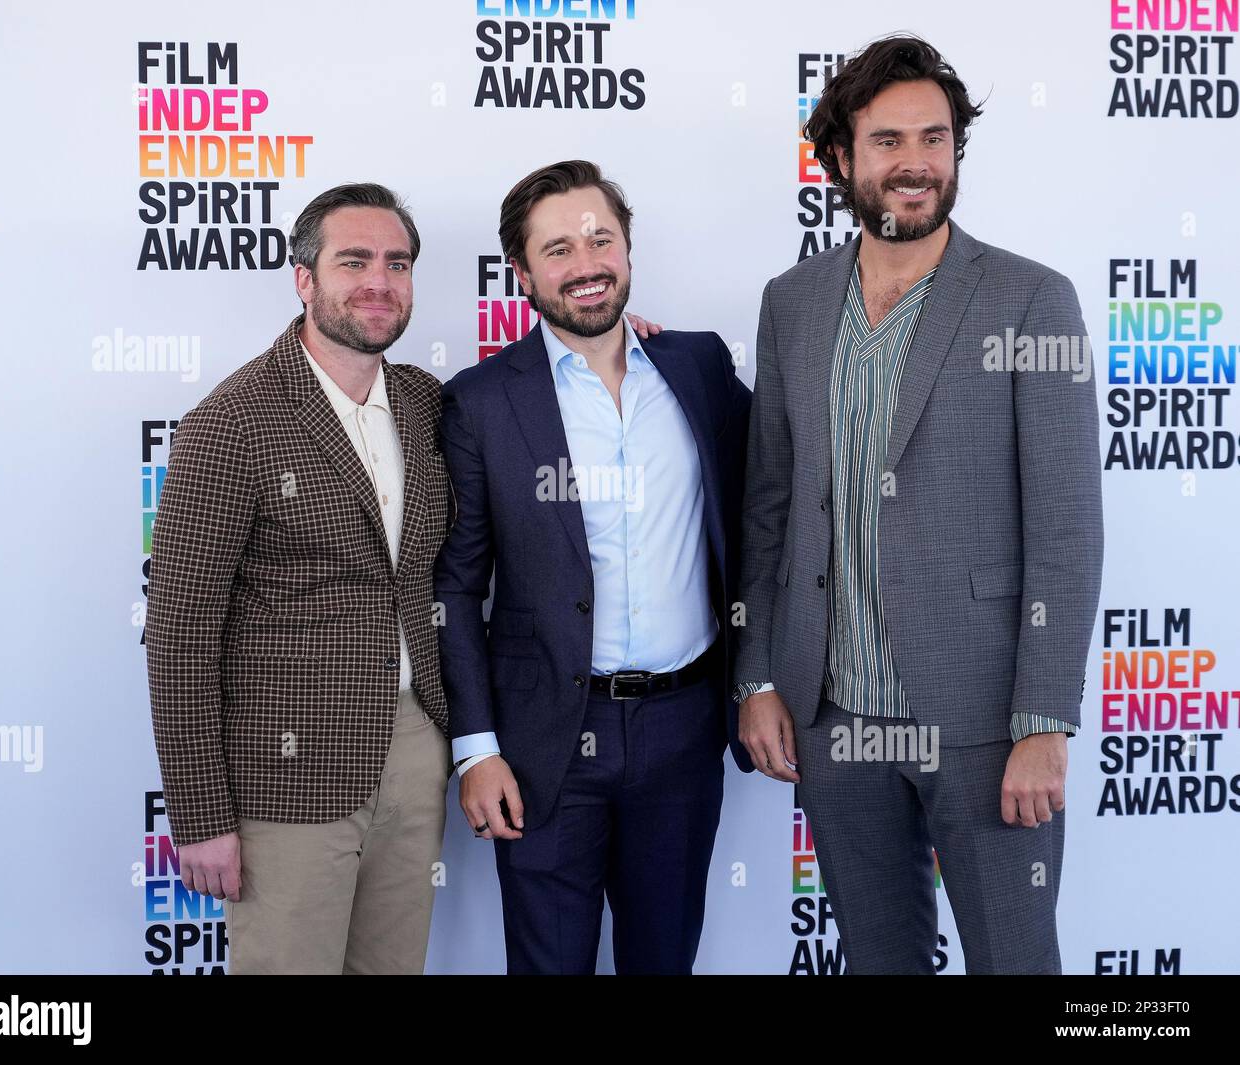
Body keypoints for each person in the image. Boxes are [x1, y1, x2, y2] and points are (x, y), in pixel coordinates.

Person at [735, 36, 1103, 974]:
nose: (916, 164)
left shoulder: (1031, 300)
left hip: (983, 721)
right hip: (834, 712)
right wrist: (759, 676)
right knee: (878, 958)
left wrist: (1042, 722)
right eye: (889, 140)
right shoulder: (794, 301)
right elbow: (770, 508)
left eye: (935, 139)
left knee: (1017, 961)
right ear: (843, 159)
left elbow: (1067, 528)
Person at [434, 160, 753, 974]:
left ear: (629, 247)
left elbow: (770, 509)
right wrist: (476, 749)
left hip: (684, 730)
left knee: (664, 960)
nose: (585, 262)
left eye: (600, 237)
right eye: (558, 248)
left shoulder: (699, 368)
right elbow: (457, 587)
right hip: (542, 739)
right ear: (523, 273)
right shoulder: (480, 402)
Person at [145, 183, 453, 974]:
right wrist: (200, 814)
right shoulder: (232, 420)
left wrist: (619, 345)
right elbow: (178, 634)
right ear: (304, 277)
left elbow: (531, 399)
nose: (379, 281)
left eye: (397, 262)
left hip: (415, 748)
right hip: (287, 773)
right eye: (354, 261)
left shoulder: (423, 402)